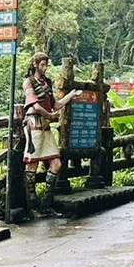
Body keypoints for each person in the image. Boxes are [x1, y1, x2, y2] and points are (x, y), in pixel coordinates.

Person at [22, 51, 79, 213]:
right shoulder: (29, 82)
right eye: (42, 65)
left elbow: (55, 104)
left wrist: (70, 95)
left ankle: (47, 203)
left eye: (46, 65)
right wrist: (50, 116)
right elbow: (34, 105)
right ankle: (32, 205)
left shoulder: (46, 82)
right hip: (34, 125)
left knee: (56, 163)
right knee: (32, 164)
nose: (45, 68)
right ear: (35, 65)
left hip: (45, 126)